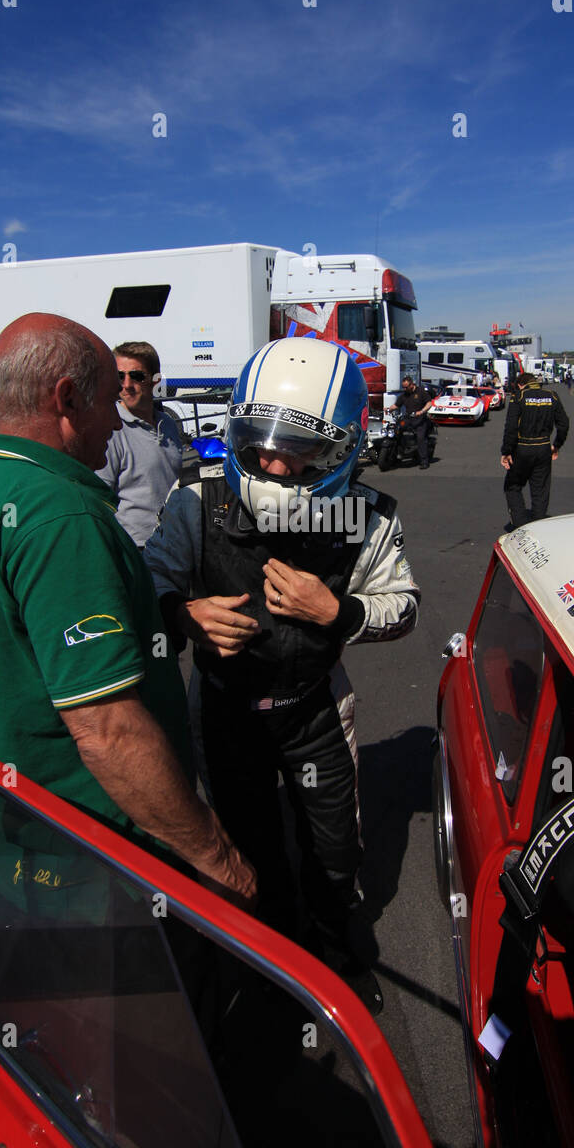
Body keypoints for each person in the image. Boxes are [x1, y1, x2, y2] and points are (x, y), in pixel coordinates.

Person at [0, 313, 256, 913]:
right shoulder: (62, 518)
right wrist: (217, 859)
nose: (116, 421)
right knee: (140, 1001)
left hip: (14, 829)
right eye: (108, 399)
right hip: (94, 853)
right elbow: (110, 731)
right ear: (68, 399)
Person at [144, 337, 420, 1013]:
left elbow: (405, 606)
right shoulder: (198, 500)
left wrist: (341, 610)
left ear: (340, 449)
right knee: (248, 843)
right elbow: (146, 582)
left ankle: (337, 954)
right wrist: (183, 615)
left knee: (335, 849)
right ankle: (264, 960)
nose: (268, 461)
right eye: (256, 440)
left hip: (311, 708)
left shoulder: (367, 515)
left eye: (293, 448)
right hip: (225, 707)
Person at [95, 341, 183, 549]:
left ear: (155, 381)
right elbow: (99, 499)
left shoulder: (168, 424)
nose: (126, 384)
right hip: (134, 548)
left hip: (173, 541)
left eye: (136, 376)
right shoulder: (110, 429)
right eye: (120, 376)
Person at [500, 369, 569, 528]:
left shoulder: (519, 396)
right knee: (540, 490)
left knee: (513, 486)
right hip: (544, 446)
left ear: (520, 384)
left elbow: (511, 427)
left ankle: (519, 524)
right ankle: (538, 526)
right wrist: (557, 444)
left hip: (523, 447)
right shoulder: (552, 396)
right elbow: (564, 424)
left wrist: (506, 451)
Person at [395, 373, 433, 468]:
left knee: (420, 438)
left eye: (406, 387)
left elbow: (429, 403)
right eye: (403, 387)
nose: (405, 389)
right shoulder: (405, 395)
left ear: (411, 384)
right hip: (408, 418)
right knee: (397, 430)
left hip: (420, 419)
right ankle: (399, 454)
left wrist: (422, 411)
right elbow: (396, 405)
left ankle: (424, 461)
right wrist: (387, 408)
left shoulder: (421, 392)